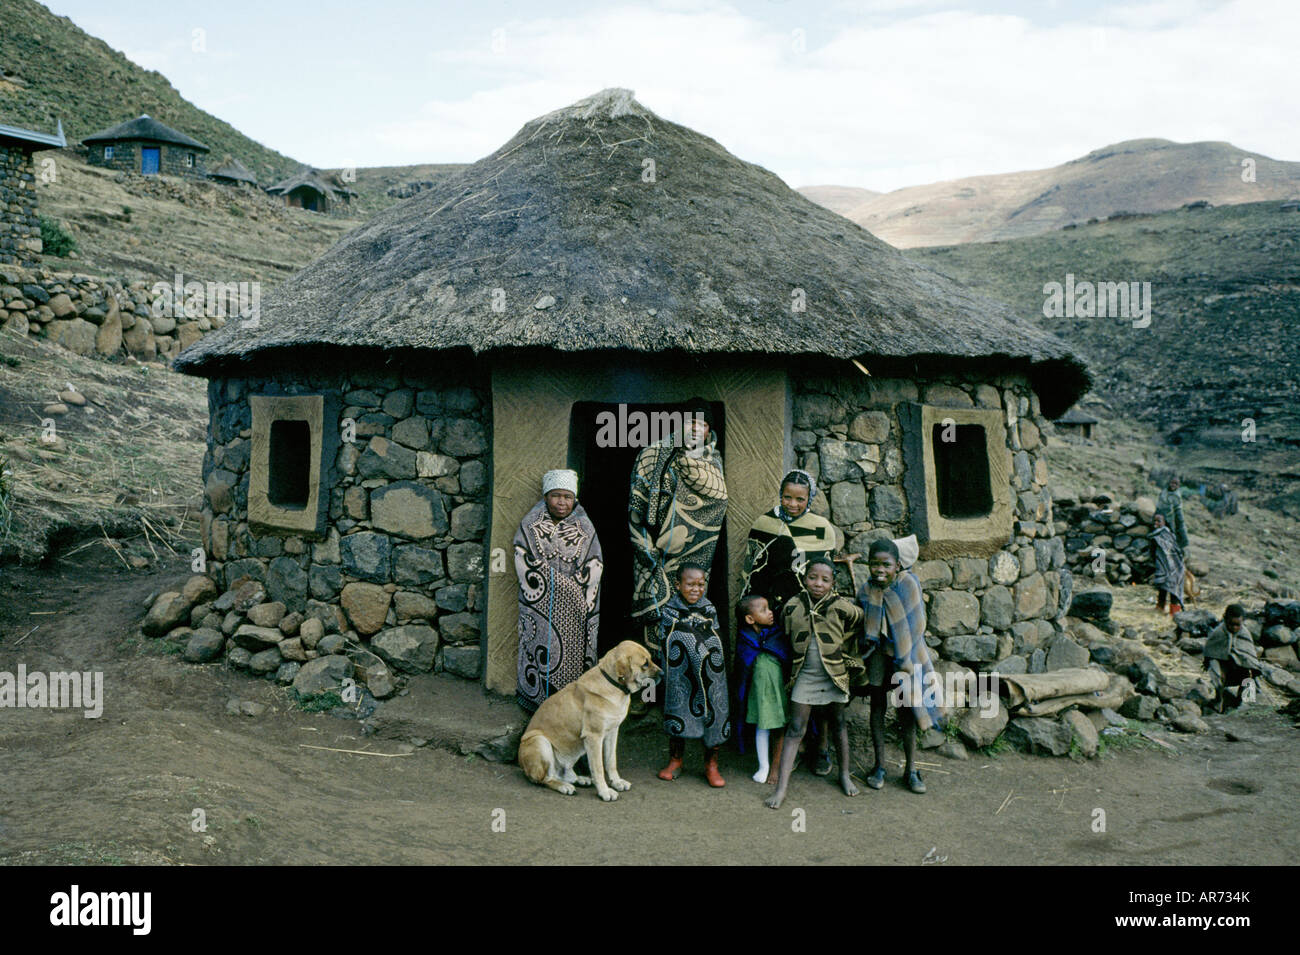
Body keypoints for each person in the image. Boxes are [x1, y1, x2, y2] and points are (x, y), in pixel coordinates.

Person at [742, 468, 839, 775]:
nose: (793, 504)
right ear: (779, 494)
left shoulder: (822, 529)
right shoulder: (764, 523)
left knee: (813, 682)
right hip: (770, 622)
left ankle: (818, 747)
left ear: (810, 498)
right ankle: (776, 751)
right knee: (773, 682)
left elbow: (825, 576)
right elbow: (751, 573)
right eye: (787, 497)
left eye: (800, 498)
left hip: (806, 620)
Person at [765, 558, 864, 809]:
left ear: (833, 583)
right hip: (805, 677)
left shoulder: (843, 607)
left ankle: (843, 775)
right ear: (804, 578)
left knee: (839, 723)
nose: (818, 584)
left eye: (825, 579)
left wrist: (848, 663)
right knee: (796, 728)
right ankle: (782, 788)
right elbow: (787, 636)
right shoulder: (792, 606)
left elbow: (856, 628)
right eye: (812, 577)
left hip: (834, 676)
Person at [628, 399, 727, 647]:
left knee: (690, 620)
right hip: (652, 552)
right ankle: (656, 682)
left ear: (709, 431)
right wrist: (648, 548)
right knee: (656, 622)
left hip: (694, 555)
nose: (696, 429)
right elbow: (636, 507)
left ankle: (684, 678)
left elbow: (717, 503)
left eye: (702, 425)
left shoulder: (712, 461)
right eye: (691, 422)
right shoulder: (652, 454)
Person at [858, 538, 943, 795]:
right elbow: (864, 626)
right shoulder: (866, 590)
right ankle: (879, 766)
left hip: (906, 656)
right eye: (874, 564)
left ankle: (911, 769)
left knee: (907, 710)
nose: (880, 569)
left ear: (897, 565)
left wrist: (902, 652)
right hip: (878, 656)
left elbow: (917, 624)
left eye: (886, 564)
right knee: (877, 706)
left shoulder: (909, 585)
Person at [514, 469, 603, 712]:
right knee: (540, 649)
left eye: (567, 496)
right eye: (556, 496)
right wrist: (561, 585)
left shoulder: (585, 528)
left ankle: (569, 708)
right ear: (545, 497)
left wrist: (572, 590)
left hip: (574, 610)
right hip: (540, 609)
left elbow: (595, 565)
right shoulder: (530, 525)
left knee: (573, 656)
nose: (562, 502)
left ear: (574, 499)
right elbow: (522, 560)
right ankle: (537, 702)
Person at [654, 565, 730, 787]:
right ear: (678, 586)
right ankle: (676, 761)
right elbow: (671, 635)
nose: (696, 589)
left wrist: (703, 647)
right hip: (681, 672)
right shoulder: (670, 610)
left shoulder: (710, 608)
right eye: (690, 584)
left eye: (701, 584)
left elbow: (714, 637)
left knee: (714, 713)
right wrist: (694, 640)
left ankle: (711, 765)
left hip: (710, 672)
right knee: (678, 710)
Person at [734, 595, 792, 784]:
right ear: (750, 619)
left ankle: (775, 767)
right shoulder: (745, 639)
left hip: (777, 691)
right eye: (764, 610)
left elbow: (786, 659)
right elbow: (743, 668)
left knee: (778, 726)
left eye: (769, 608)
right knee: (762, 726)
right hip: (758, 693)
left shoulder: (777, 635)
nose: (770, 613)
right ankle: (763, 765)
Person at [1202, 604, 1262, 713]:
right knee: (1217, 674)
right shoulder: (1218, 632)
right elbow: (1210, 651)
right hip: (1224, 667)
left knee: (1249, 674)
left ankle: (1242, 701)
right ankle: (1218, 700)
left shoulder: (1245, 633)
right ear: (1225, 620)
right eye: (1231, 624)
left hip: (1239, 669)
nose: (1234, 628)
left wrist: (1252, 666)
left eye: (1237, 625)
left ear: (1242, 621)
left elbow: (1250, 655)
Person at [1149, 512, 1185, 615]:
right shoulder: (1155, 534)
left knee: (1173, 588)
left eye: (1159, 521)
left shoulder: (1166, 534)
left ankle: (1174, 613)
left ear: (1165, 523)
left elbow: (1173, 551)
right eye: (1154, 520)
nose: (1156, 523)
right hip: (1162, 566)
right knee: (1162, 587)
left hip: (1174, 567)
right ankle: (1160, 608)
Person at [1157, 477, 1189, 550]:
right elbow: (1162, 501)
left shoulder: (1176, 494)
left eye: (1176, 484)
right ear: (1169, 483)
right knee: (1158, 522)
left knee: (1179, 522)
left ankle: (1183, 543)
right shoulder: (1164, 491)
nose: (1173, 485)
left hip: (1175, 508)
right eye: (1172, 483)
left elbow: (1174, 506)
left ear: (1178, 486)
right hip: (1162, 507)